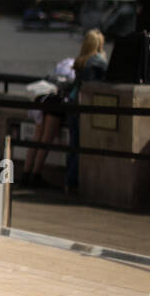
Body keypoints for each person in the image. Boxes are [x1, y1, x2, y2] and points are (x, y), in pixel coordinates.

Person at [21, 28, 105, 188]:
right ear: (99, 45)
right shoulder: (94, 63)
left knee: (37, 139)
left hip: (45, 98)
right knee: (47, 140)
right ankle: (36, 174)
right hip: (59, 103)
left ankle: (26, 174)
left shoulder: (73, 61)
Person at [66, 28, 107, 191]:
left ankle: (68, 182)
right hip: (84, 105)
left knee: (73, 144)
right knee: (82, 145)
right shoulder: (98, 61)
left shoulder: (80, 60)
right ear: (99, 44)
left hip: (72, 101)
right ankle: (75, 182)